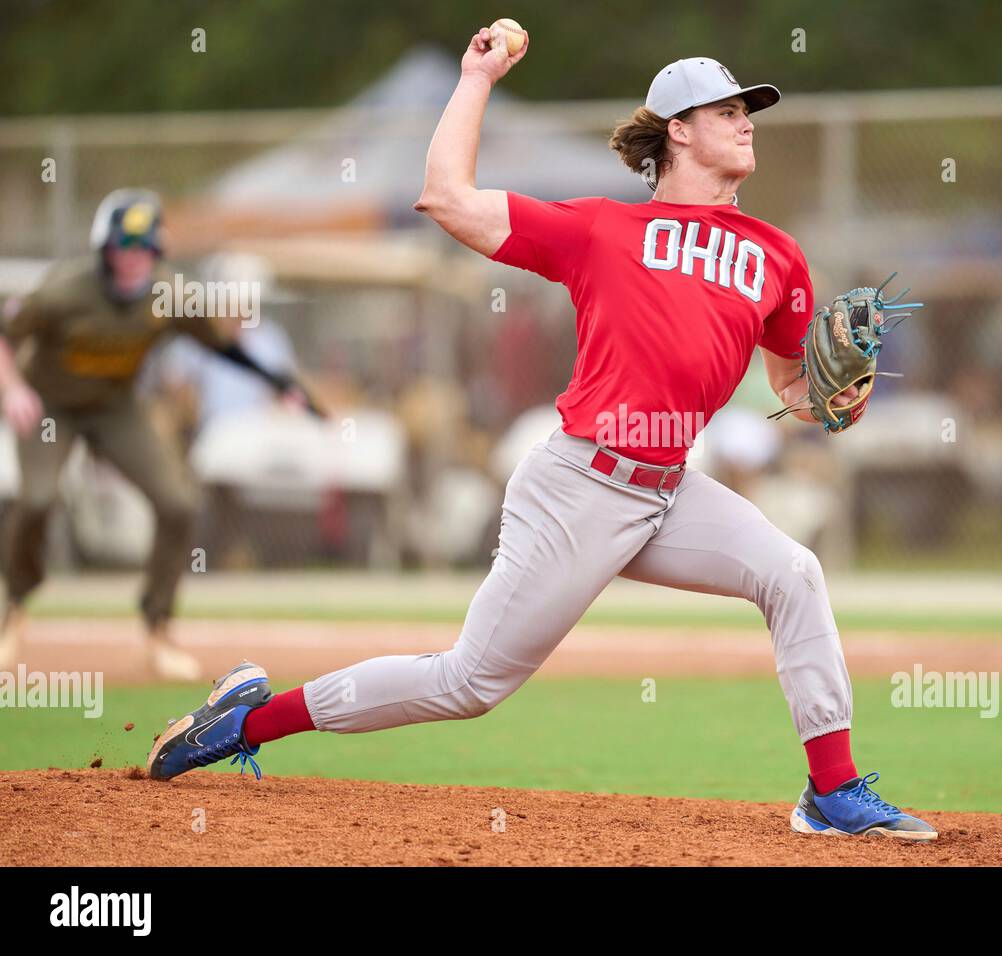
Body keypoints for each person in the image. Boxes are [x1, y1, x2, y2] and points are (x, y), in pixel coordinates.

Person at [144, 27, 938, 841]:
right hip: (580, 487)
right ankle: (243, 722)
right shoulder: (603, 231)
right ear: (679, 129)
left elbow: (797, 393)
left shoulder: (779, 256)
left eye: (749, 111)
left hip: (671, 490)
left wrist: (847, 392)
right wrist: (476, 78)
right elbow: (447, 198)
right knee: (468, 683)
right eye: (729, 110)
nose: (748, 123)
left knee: (794, 573)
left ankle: (832, 792)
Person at [0, 189, 311, 679]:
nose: (134, 260)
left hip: (117, 407)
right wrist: (13, 387)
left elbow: (224, 346)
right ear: (105, 250)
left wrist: (281, 385)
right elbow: (6, 330)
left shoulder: (168, 293)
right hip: (51, 408)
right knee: (37, 500)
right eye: (125, 248)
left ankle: (157, 628)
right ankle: (14, 608)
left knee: (178, 502)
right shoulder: (65, 291)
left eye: (144, 249)